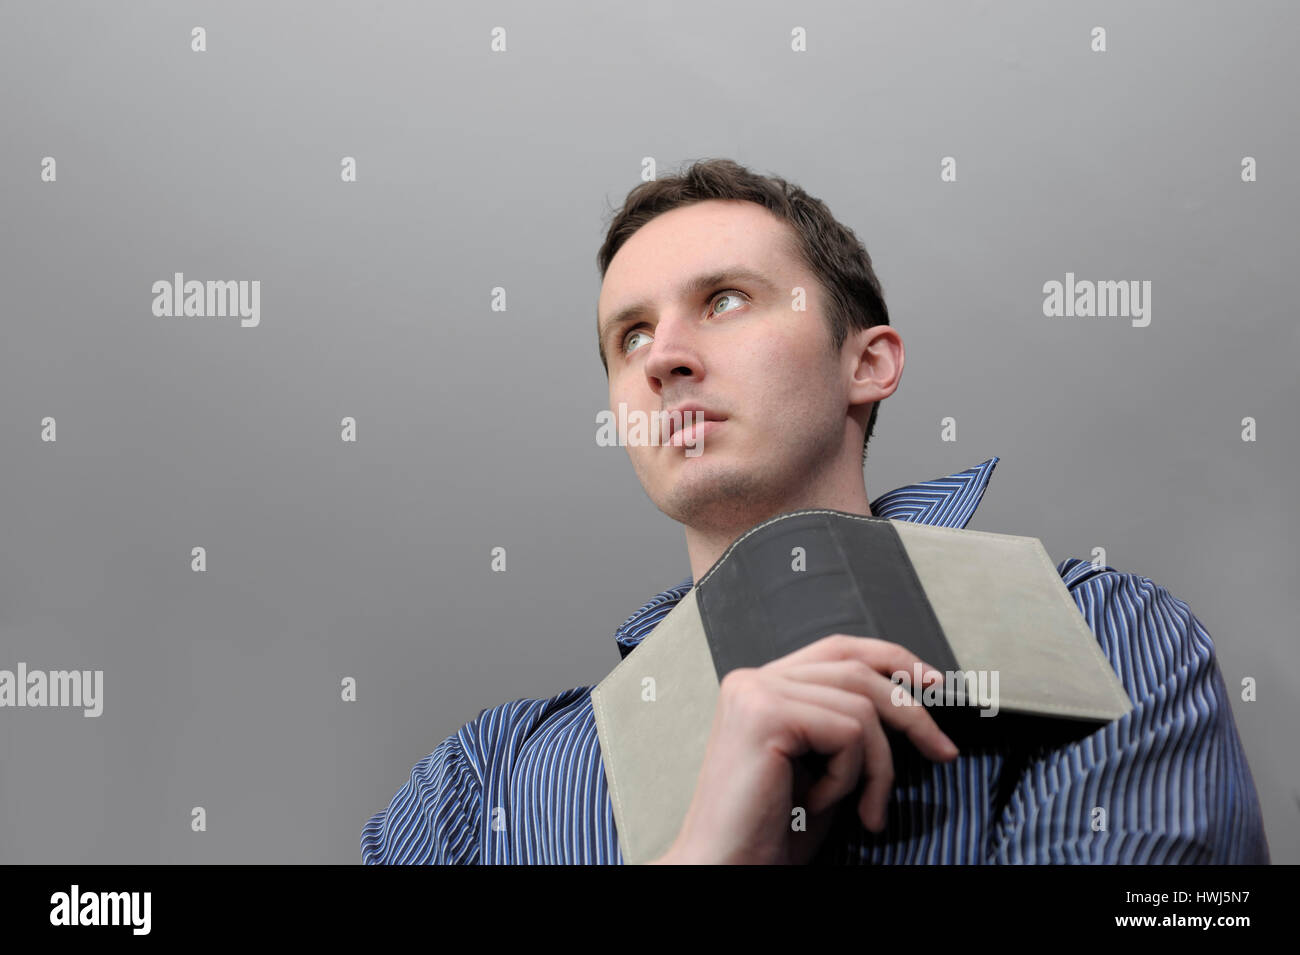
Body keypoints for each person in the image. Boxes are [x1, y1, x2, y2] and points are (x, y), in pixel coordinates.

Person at [360, 159, 1270, 865]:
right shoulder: (477, 783)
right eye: (628, 334)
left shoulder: (1109, 635)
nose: (661, 356)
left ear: (867, 362)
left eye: (723, 300)